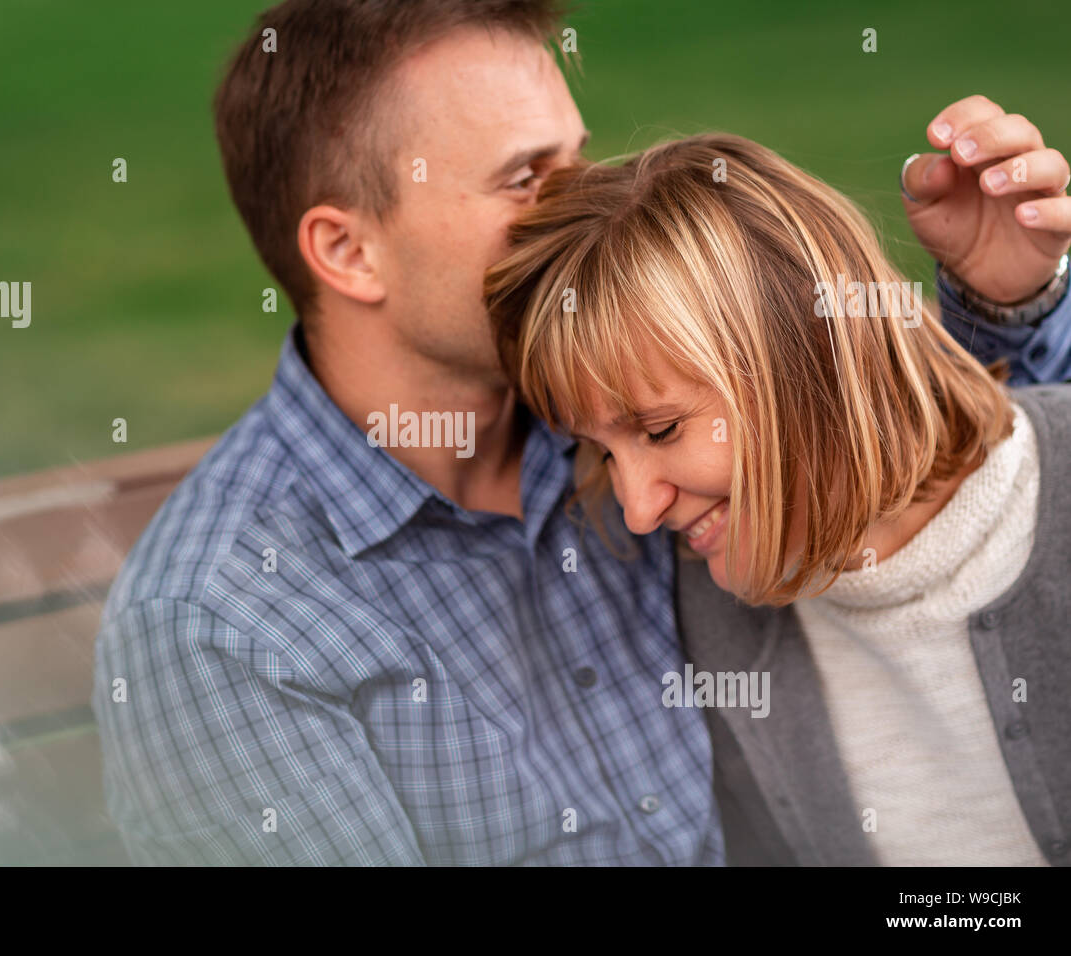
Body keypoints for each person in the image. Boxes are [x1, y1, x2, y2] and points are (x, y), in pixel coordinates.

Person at [91, 0, 1071, 865]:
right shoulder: (223, 623)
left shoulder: (621, 418)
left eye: (577, 155)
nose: (587, 205)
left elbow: (859, 445)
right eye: (528, 177)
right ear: (347, 250)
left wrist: (1001, 308)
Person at [485, 132, 1071, 866]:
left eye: (661, 429)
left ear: (810, 354)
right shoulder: (706, 607)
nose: (639, 508)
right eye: (602, 451)